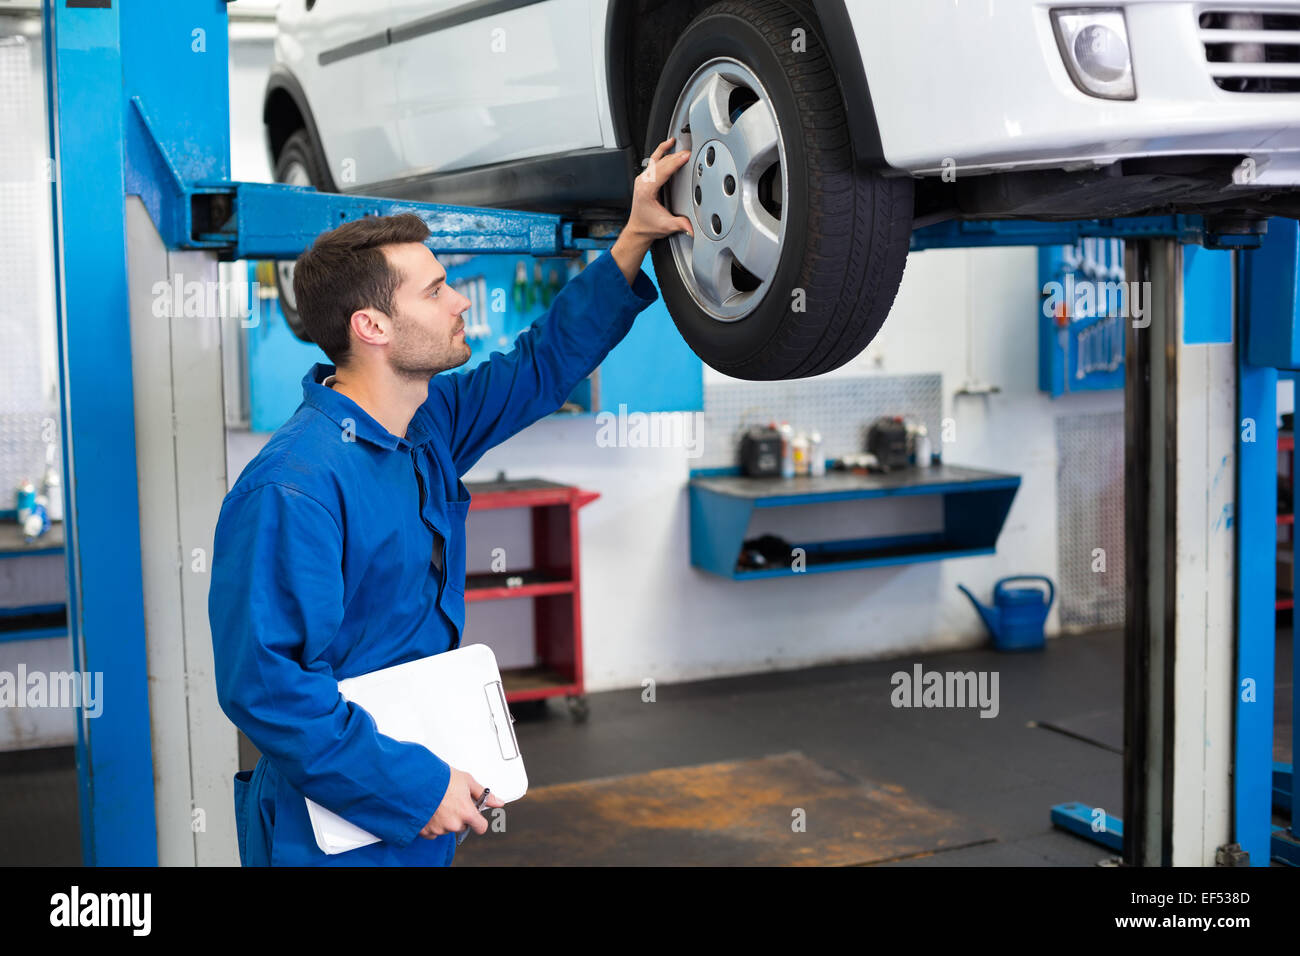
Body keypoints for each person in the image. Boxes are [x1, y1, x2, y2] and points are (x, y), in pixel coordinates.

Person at [209, 139, 694, 866]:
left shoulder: (426, 423)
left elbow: (541, 365)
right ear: (370, 328)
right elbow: (268, 689)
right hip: (332, 827)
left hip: (419, 799)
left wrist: (634, 239)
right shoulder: (294, 488)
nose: (462, 299)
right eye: (435, 290)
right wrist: (414, 787)